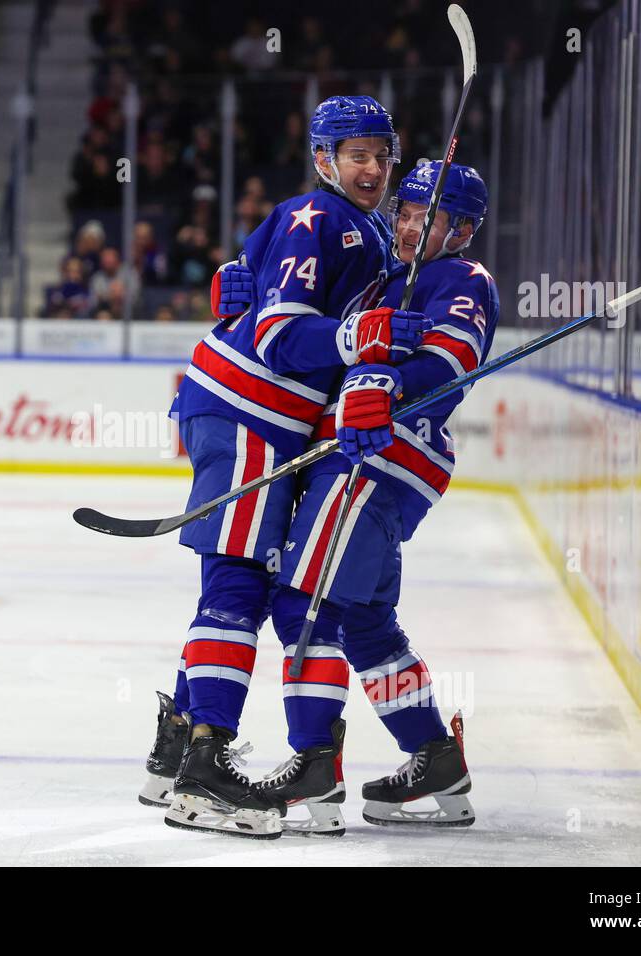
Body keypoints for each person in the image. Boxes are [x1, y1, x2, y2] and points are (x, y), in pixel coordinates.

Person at [143, 96, 429, 839]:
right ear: (324, 159)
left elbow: (253, 264)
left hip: (254, 418)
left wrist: (237, 274)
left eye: (381, 154)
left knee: (248, 579)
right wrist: (358, 336)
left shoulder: (349, 224)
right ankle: (202, 771)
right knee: (237, 579)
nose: (372, 167)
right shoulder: (326, 219)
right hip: (248, 414)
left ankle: (179, 746)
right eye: (356, 153)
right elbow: (279, 334)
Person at [214, 161, 498, 831]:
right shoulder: (387, 276)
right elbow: (323, 328)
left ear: (459, 229)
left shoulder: (461, 278)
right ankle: (435, 757)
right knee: (365, 620)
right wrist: (254, 290)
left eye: (424, 217)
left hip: (378, 460)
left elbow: (453, 356)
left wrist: (389, 386)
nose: (405, 224)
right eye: (403, 210)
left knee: (304, 600)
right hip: (368, 461)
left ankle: (313, 764)